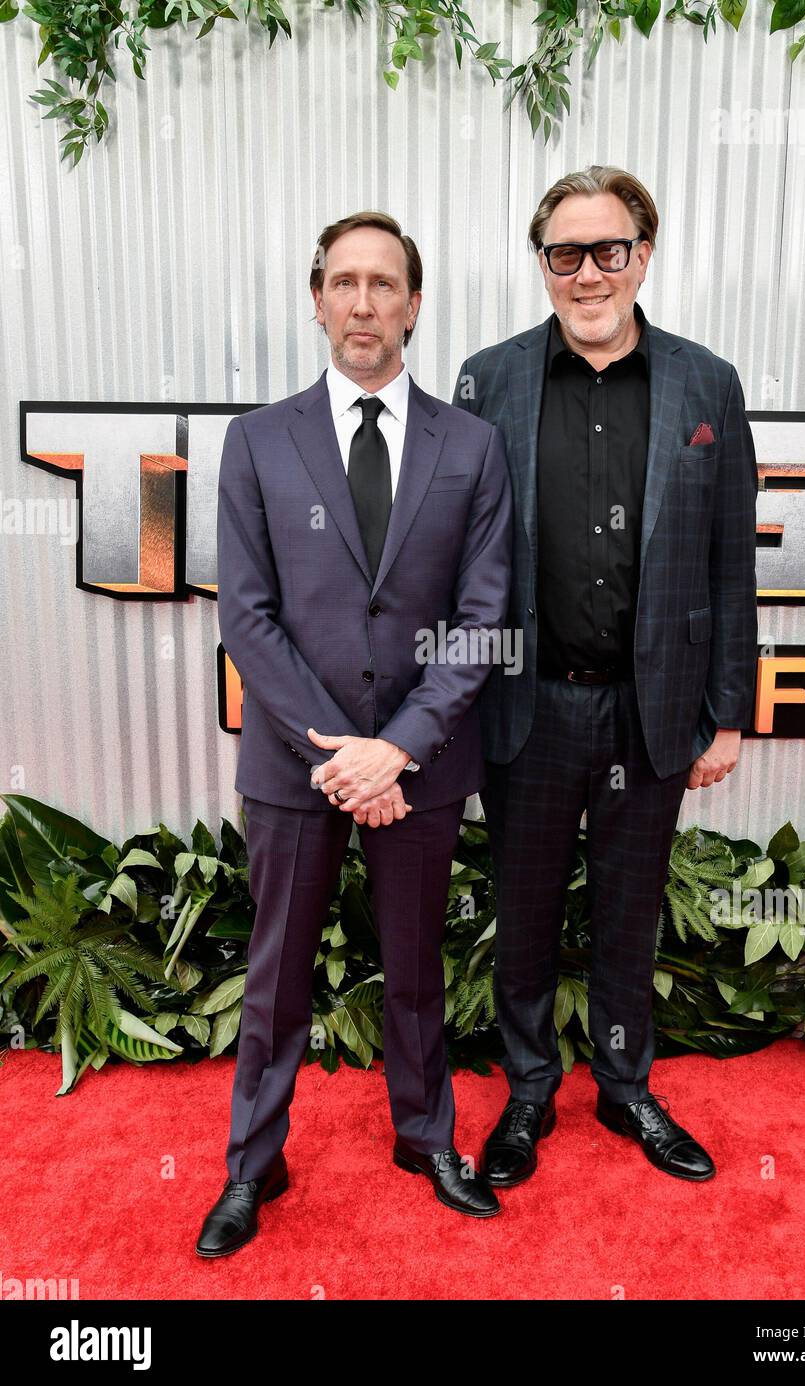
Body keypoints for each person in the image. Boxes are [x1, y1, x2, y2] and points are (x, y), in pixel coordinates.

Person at [197, 211, 512, 1256]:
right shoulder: (257, 440)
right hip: (297, 769)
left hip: (418, 767)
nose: (364, 301)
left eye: (384, 283)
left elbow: (482, 621)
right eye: (344, 281)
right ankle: (252, 1165)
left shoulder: (470, 447)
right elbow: (247, 614)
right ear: (318, 297)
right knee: (277, 971)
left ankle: (426, 1139)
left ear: (413, 304)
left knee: (416, 965)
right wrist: (341, 754)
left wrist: (401, 747)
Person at [451, 165, 758, 1189]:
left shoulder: (703, 384)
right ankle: (529, 1091)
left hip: (649, 711)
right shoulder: (485, 378)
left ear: (643, 253)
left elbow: (725, 559)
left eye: (607, 250)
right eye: (564, 254)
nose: (587, 274)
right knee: (525, 910)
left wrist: (727, 712)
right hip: (526, 707)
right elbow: (454, 558)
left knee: (628, 912)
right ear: (541, 263)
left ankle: (625, 1088)